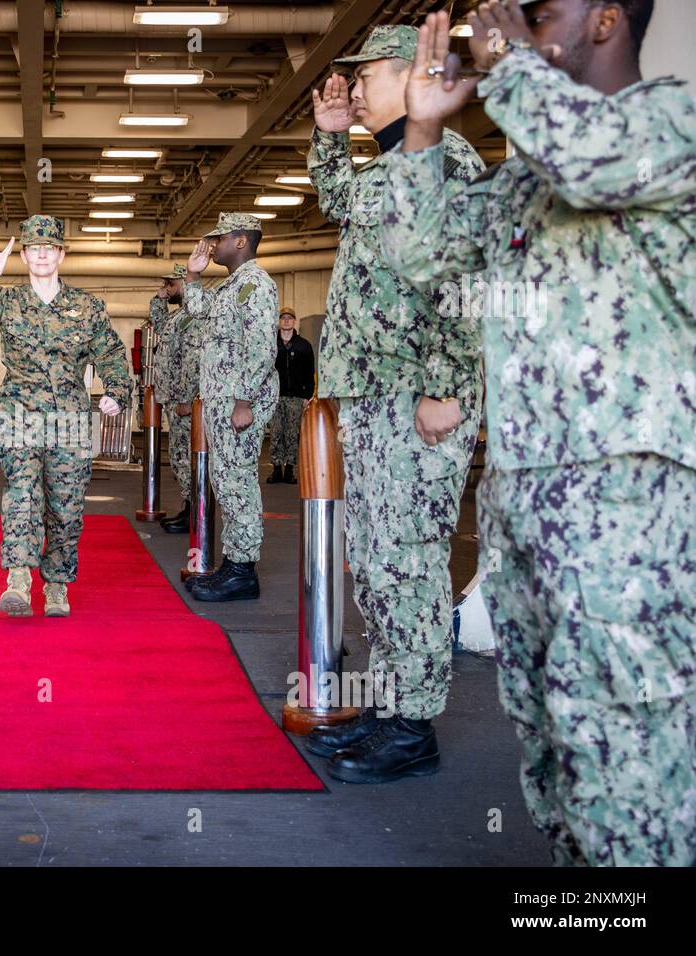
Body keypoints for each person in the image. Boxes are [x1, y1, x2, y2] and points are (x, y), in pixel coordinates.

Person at [383, 1, 694, 864]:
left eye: (540, 12)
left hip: (630, 520)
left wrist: (511, 63)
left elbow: (590, 164)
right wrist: (420, 131)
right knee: (557, 770)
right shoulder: (522, 178)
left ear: (606, 22)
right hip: (524, 512)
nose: (511, 25)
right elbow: (423, 259)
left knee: (630, 784)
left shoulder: (669, 121)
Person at [302, 24, 486, 784]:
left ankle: (413, 728)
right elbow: (333, 198)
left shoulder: (447, 159)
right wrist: (328, 137)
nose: (356, 88)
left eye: (366, 76)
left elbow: (461, 278)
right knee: (378, 559)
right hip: (375, 395)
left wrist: (445, 382)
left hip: (419, 394)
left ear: (411, 75)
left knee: (408, 559)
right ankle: (388, 704)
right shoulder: (386, 169)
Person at [0, 215, 130, 617]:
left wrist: (117, 391)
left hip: (71, 418)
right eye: (33, 248)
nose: (42, 253)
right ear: (23, 255)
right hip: (18, 412)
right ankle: (19, 580)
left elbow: (111, 353)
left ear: (61, 254)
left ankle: (57, 585)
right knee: (23, 492)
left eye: (50, 247)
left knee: (66, 504)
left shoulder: (86, 306)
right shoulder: (6, 300)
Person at [181, 213, 280, 603]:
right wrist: (193, 275)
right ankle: (233, 562)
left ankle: (242, 572)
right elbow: (197, 310)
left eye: (218, 238)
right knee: (226, 481)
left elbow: (261, 346)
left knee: (238, 482)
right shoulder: (231, 287)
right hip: (222, 401)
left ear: (241, 241)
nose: (212, 245)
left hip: (238, 401)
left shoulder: (256, 284)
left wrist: (244, 400)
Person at [148, 264, 204, 534]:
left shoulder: (194, 315)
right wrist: (159, 300)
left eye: (171, 284)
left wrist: (184, 398)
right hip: (173, 398)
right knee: (180, 456)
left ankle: (194, 512)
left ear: (185, 282)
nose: (168, 288)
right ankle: (188, 507)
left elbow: (192, 362)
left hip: (184, 400)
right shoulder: (179, 316)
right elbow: (160, 326)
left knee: (185, 457)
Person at [267, 307, 313, 485]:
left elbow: (310, 373)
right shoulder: (271, 344)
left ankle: (289, 470)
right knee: (276, 433)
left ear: (294, 321)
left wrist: (307, 396)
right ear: (279, 321)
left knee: (293, 434)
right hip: (275, 397)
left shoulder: (304, 346)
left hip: (296, 397)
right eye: (283, 318)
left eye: (289, 318)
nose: (286, 321)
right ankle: (276, 468)